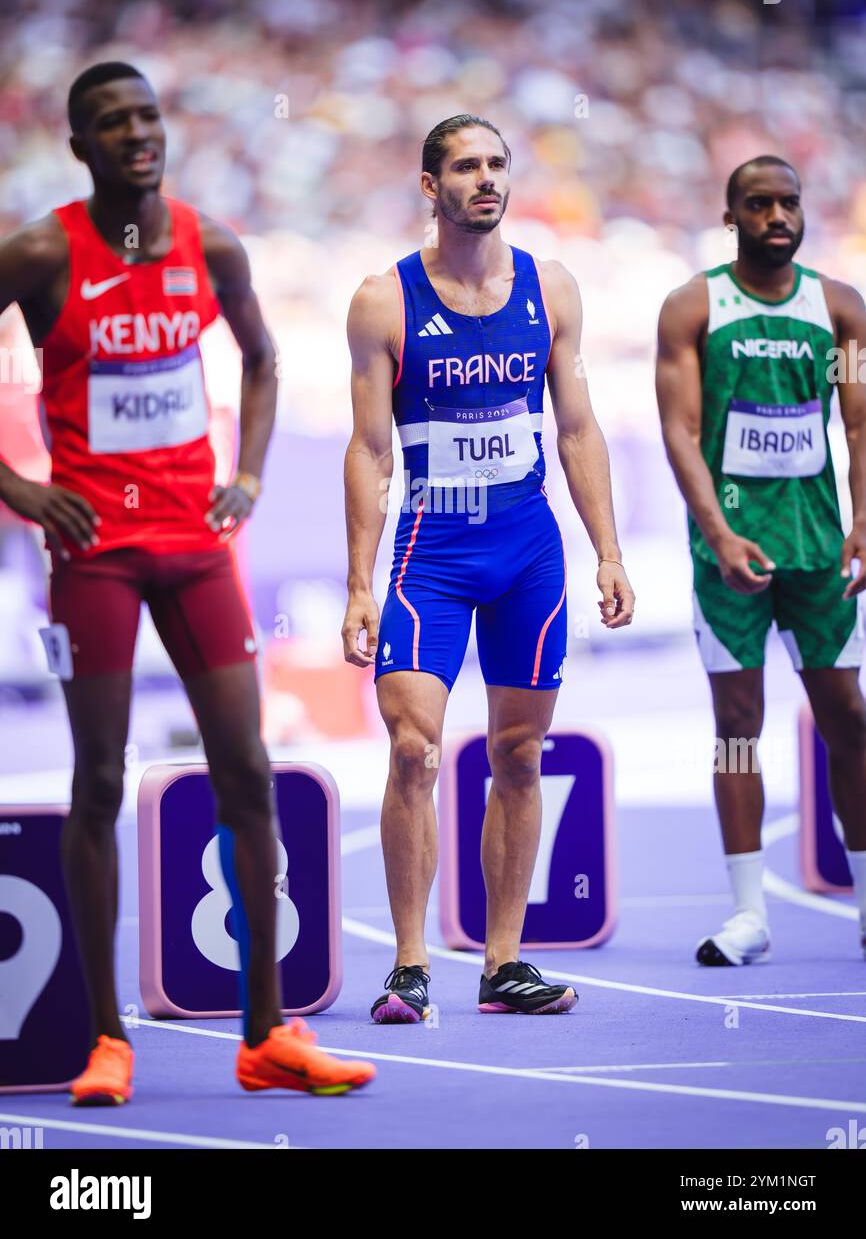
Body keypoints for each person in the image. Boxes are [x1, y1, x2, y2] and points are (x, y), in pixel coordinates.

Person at [0, 61, 374, 1098]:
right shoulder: (39, 253)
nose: (135, 132)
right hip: (94, 556)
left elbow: (263, 358)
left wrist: (247, 471)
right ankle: (106, 1036)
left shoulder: (211, 245)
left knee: (247, 772)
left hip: (197, 548)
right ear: (79, 147)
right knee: (101, 780)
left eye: (146, 115)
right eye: (110, 122)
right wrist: (20, 491)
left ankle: (265, 1033)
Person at [342, 114, 634, 1021]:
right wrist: (358, 580)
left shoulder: (552, 289)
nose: (486, 180)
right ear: (430, 187)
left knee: (517, 752)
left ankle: (505, 963)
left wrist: (609, 553)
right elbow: (366, 451)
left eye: (497, 165)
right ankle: (410, 963)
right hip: (432, 553)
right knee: (414, 749)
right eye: (465, 167)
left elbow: (578, 428)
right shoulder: (382, 301)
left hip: (528, 549)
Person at [656, 154, 866, 965]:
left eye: (788, 203)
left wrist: (862, 519)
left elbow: (857, 424)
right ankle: (749, 914)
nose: (776, 216)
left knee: (847, 719)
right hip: (730, 554)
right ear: (730, 215)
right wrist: (716, 532)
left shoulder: (841, 310)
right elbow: (679, 431)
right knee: (737, 727)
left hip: (818, 550)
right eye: (758, 204)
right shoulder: (693, 307)